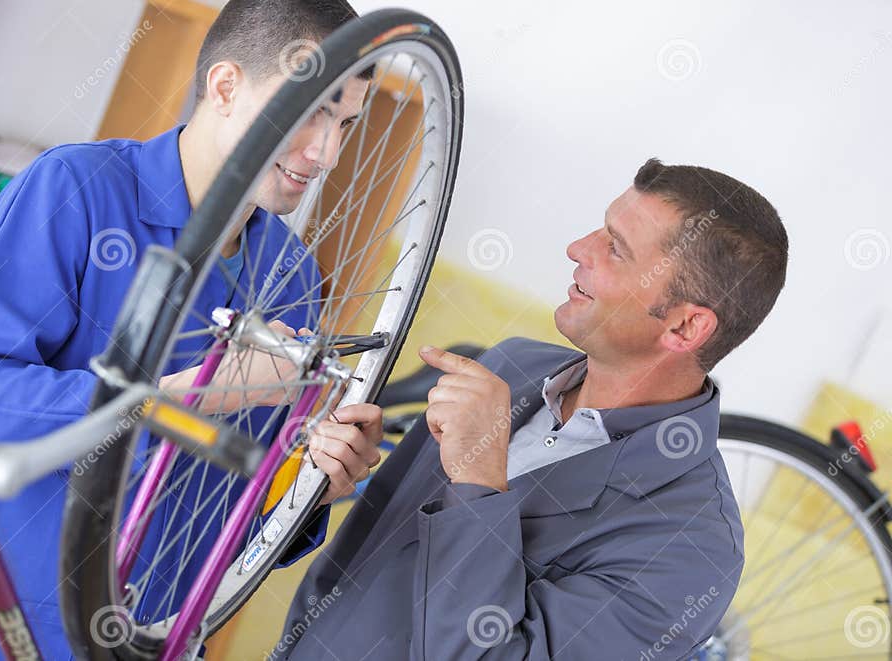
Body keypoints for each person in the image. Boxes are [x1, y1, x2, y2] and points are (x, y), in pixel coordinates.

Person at [0, 1, 384, 659]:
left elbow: (228, 525)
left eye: (346, 124)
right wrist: (189, 395)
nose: (327, 153)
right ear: (225, 86)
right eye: (312, 112)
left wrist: (315, 485)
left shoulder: (292, 276)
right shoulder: (75, 189)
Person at [277, 159, 788, 660]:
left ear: (684, 327)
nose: (577, 248)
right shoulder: (512, 365)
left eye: (616, 248)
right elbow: (360, 560)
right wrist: (321, 485)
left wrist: (479, 482)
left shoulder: (691, 551)